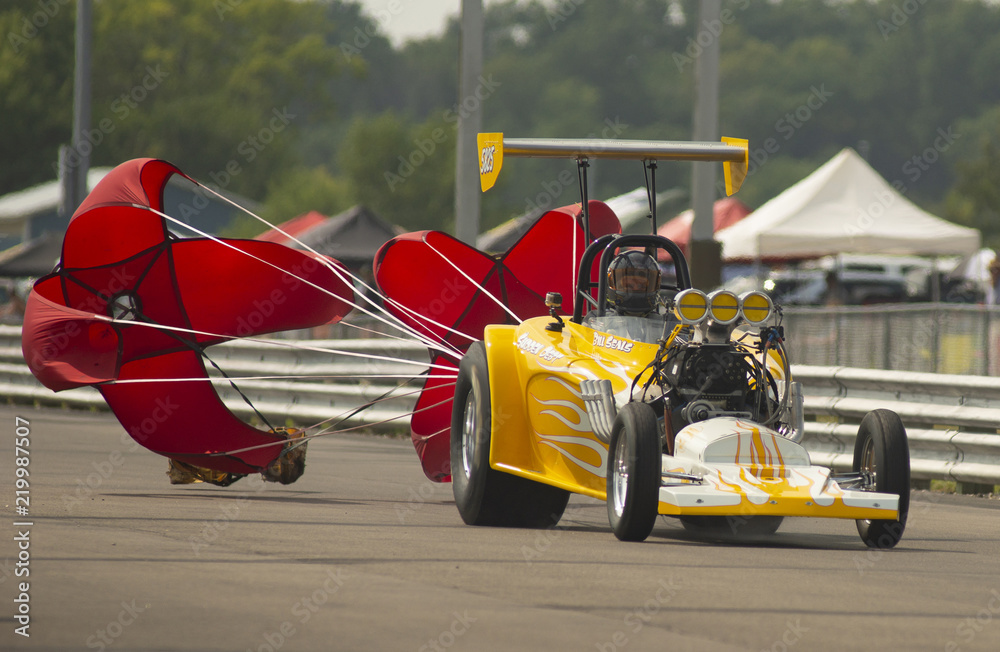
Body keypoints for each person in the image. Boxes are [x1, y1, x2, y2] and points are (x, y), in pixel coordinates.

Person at [606, 250, 661, 316]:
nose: (635, 289)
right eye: (628, 286)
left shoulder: (665, 323)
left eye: (641, 286)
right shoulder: (598, 321)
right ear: (612, 283)